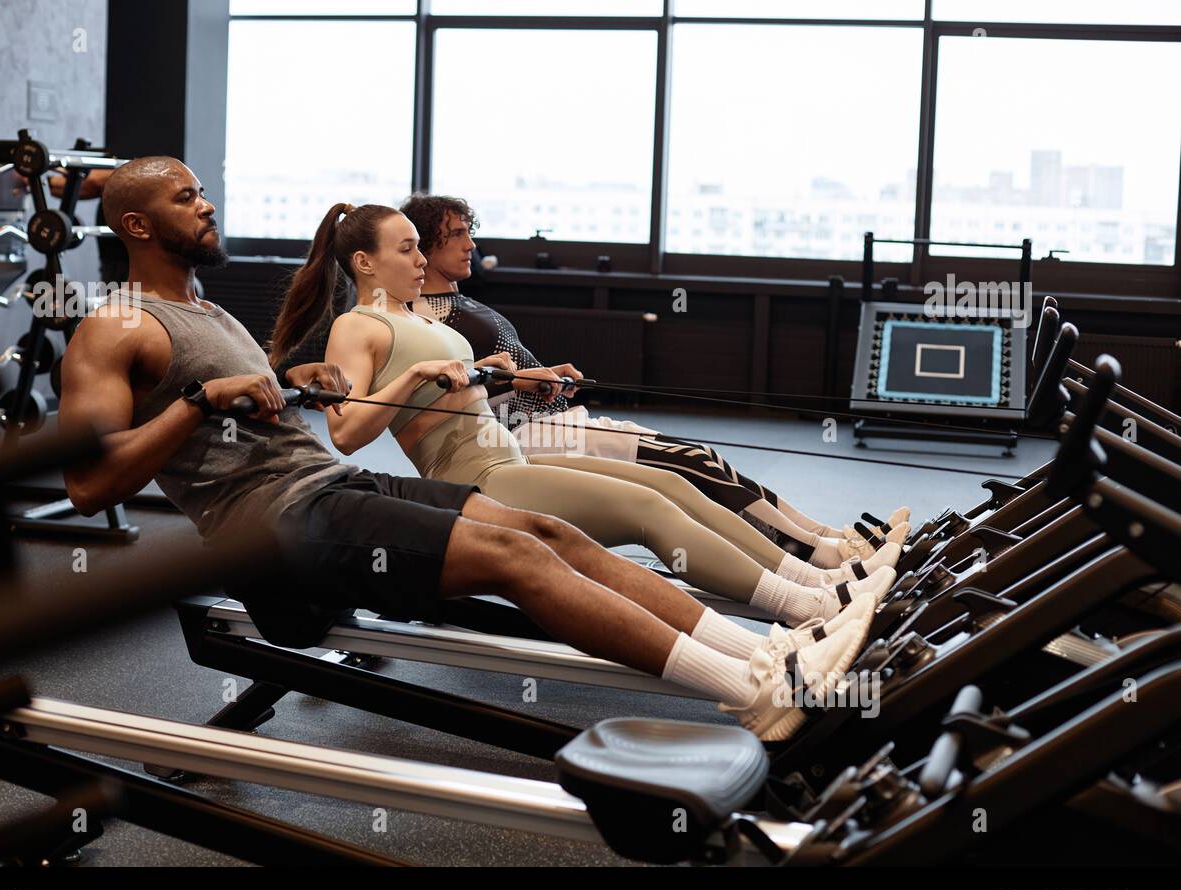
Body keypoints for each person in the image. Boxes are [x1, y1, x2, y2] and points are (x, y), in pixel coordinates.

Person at [57, 155, 876, 741]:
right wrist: (203, 400)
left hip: (327, 486)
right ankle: (752, 691)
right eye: (183, 198)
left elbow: (257, 403)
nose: (205, 205)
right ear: (135, 223)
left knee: (552, 534)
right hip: (271, 529)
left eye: (202, 192)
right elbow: (90, 484)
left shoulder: (208, 310)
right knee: (519, 561)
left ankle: (774, 650)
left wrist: (286, 374)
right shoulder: (112, 326)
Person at [270, 202, 898, 630]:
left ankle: (824, 582)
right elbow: (347, 432)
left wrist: (505, 372)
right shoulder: (360, 324)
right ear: (364, 263)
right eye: (406, 251)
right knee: (648, 510)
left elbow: (457, 393)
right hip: (476, 478)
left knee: (670, 481)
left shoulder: (417, 316)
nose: (418, 261)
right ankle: (806, 606)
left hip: (507, 452)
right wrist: (413, 374)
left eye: (417, 249)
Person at [398, 193, 911, 566]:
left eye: (469, 232)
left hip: (556, 419)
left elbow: (493, 371)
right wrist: (519, 382)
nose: (471, 244)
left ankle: (829, 537)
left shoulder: (458, 302)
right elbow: (461, 386)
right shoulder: (427, 316)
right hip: (528, 437)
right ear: (426, 241)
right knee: (692, 465)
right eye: (457, 234)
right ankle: (820, 554)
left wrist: (543, 375)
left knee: (700, 460)